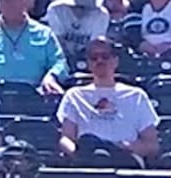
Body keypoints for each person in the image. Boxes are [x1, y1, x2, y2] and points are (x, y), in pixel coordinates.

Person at [56, 36, 158, 167]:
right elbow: (66, 138)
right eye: (94, 57)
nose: (99, 60)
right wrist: (78, 153)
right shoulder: (74, 95)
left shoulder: (136, 96)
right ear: (88, 64)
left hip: (124, 161)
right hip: (88, 161)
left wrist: (126, 147)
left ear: (115, 61)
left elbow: (152, 144)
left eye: (105, 56)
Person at [0, 0, 67, 96]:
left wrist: (51, 77)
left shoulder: (44, 33)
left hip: (36, 95)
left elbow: (60, 63)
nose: (9, 4)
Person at [45, 0, 110, 60]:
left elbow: (94, 46)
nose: (80, 11)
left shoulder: (102, 14)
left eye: (84, 8)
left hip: (85, 61)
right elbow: (57, 41)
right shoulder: (55, 9)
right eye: (78, 7)